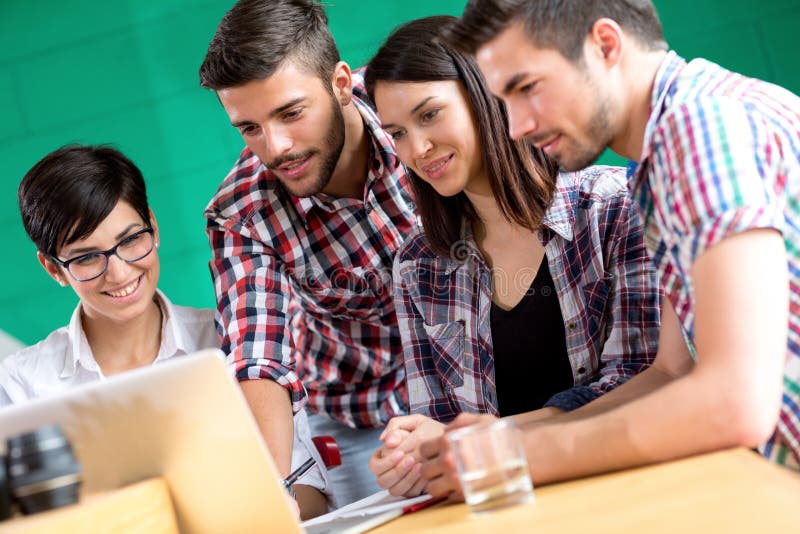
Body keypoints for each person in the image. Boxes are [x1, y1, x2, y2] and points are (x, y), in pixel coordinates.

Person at [414, 0, 800, 497]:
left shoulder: (700, 128)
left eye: (527, 88)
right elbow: (671, 371)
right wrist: (507, 434)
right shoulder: (669, 146)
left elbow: (734, 404)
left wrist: (518, 458)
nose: (515, 127)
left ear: (605, 45)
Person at [363, 16, 667, 497]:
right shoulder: (418, 266)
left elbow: (643, 376)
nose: (416, 149)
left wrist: (494, 440)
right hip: (504, 506)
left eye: (430, 115)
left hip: (627, 484)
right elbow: (438, 426)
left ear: (484, 97)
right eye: (397, 132)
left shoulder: (611, 207)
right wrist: (413, 459)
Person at [0, 145, 328, 519]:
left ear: (153, 227)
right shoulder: (22, 385)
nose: (120, 273)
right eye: (87, 257)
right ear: (53, 269)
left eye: (129, 241)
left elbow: (313, 492)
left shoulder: (233, 342)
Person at [198, 0, 416, 506]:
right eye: (249, 127)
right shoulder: (242, 214)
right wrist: (269, 497)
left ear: (341, 83)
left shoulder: (410, 108)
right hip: (358, 415)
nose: (276, 148)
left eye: (290, 113)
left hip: (482, 375)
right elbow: (258, 356)